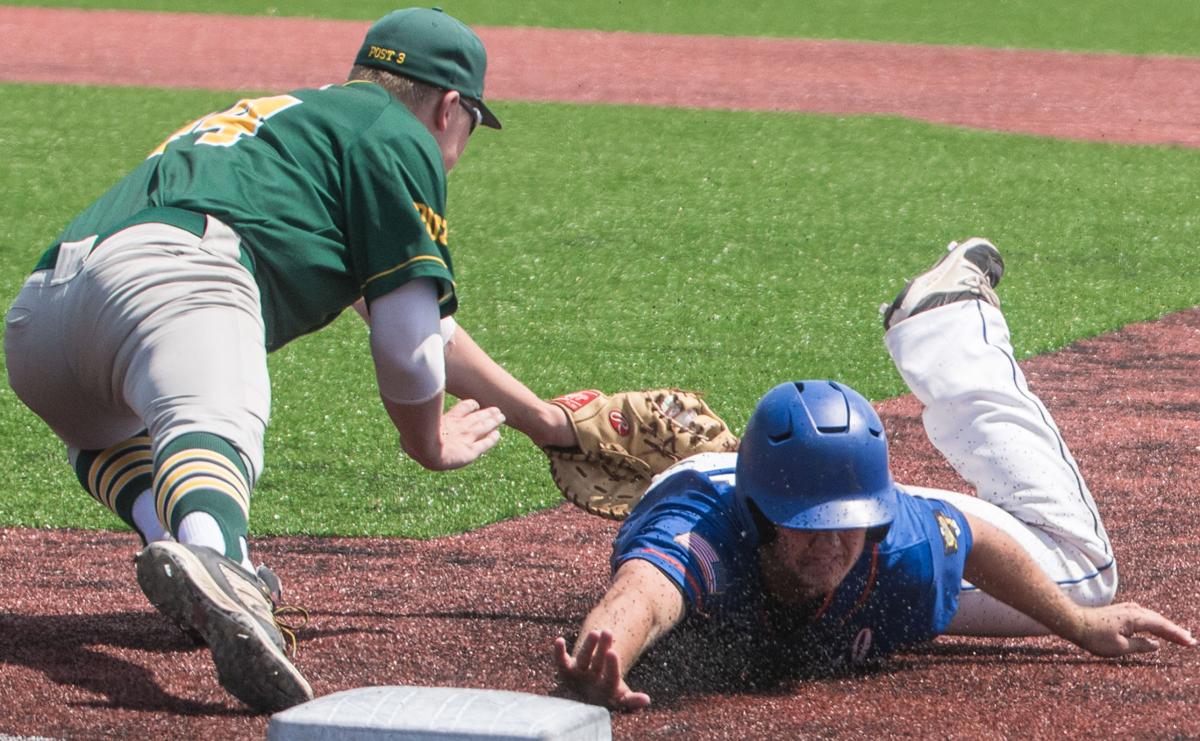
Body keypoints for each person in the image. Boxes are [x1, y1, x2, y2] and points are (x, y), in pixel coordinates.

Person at [4, 8, 575, 713]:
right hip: (176, 276)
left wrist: (546, 420)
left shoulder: (296, 122)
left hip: (43, 325)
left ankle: (189, 549)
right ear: (450, 106)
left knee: (110, 423)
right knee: (214, 412)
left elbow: (429, 327)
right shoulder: (397, 134)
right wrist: (425, 440)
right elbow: (409, 346)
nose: (462, 142)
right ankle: (215, 553)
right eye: (468, 124)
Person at [552, 238, 1196, 710]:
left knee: (1086, 578)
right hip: (706, 495)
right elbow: (643, 593)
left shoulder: (895, 541)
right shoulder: (708, 537)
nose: (834, 545)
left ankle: (946, 326)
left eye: (850, 524)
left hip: (757, 478)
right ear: (760, 516)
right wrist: (599, 662)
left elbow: (973, 538)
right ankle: (696, 464)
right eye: (811, 527)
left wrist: (1082, 625)